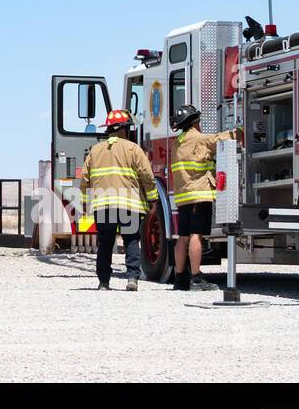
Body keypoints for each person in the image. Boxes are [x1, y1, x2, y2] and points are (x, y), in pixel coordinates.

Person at [78, 109, 158, 291]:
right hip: (129, 205)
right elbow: (147, 176)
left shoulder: (95, 151)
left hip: (103, 206)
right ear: (123, 129)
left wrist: (84, 202)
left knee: (105, 242)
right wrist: (153, 199)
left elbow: (84, 180)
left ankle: (104, 282)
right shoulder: (133, 149)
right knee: (131, 240)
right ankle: (132, 278)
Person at [169, 104, 238, 291]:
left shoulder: (177, 143)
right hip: (199, 195)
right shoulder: (198, 139)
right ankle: (197, 277)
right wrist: (238, 132)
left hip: (182, 197)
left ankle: (180, 278)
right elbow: (217, 140)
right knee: (196, 235)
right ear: (195, 122)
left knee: (182, 236)